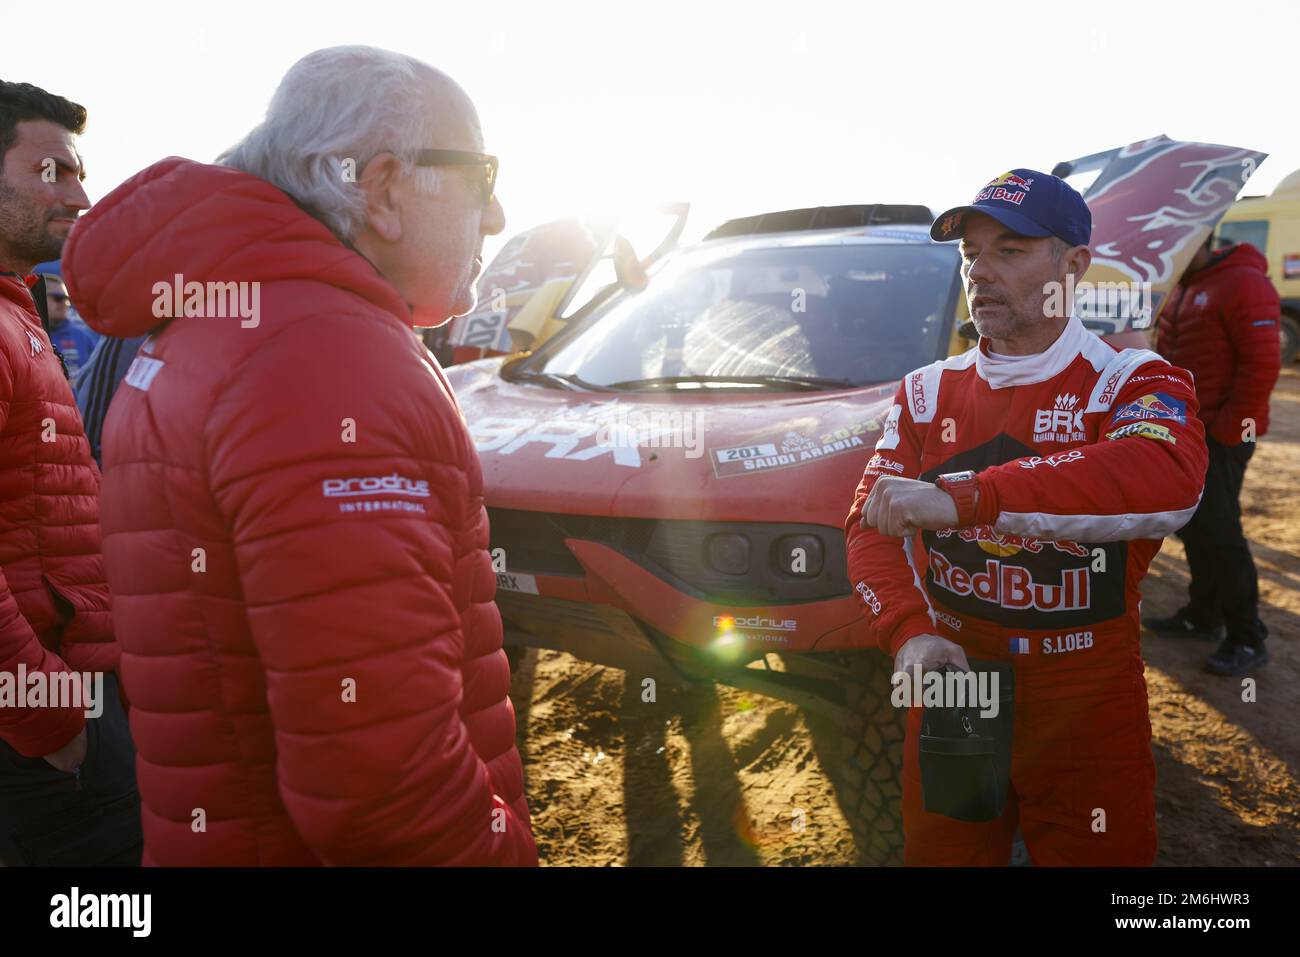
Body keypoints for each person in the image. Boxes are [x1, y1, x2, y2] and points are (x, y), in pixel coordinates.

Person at [63, 46, 537, 866]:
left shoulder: (231, 324)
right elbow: (386, 791)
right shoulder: (326, 357)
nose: (495, 218)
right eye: (483, 178)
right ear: (384, 187)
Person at [844, 169, 1208, 866]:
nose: (980, 270)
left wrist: (970, 495)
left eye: (1009, 251)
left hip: (1086, 689)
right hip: (957, 675)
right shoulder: (925, 390)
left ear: (1073, 266)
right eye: (971, 253)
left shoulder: (1134, 380)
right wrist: (908, 632)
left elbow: (1169, 479)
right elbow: (869, 523)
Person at [0, 80, 141, 865]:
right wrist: (51, 717)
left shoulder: (19, 308)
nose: (80, 196)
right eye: (51, 171)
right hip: (40, 720)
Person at [1143, 236, 1281, 675]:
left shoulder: (1243, 282)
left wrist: (1226, 429)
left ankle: (1247, 636)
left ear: (1201, 239)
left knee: (1222, 535)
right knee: (1196, 527)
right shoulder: (1186, 283)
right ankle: (1203, 617)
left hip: (1222, 435)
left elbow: (1261, 364)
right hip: (1190, 430)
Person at [41, 272, 99, 379]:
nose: (64, 303)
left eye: (67, 299)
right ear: (40, 297)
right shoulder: (27, 335)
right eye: (58, 298)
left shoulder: (83, 337)